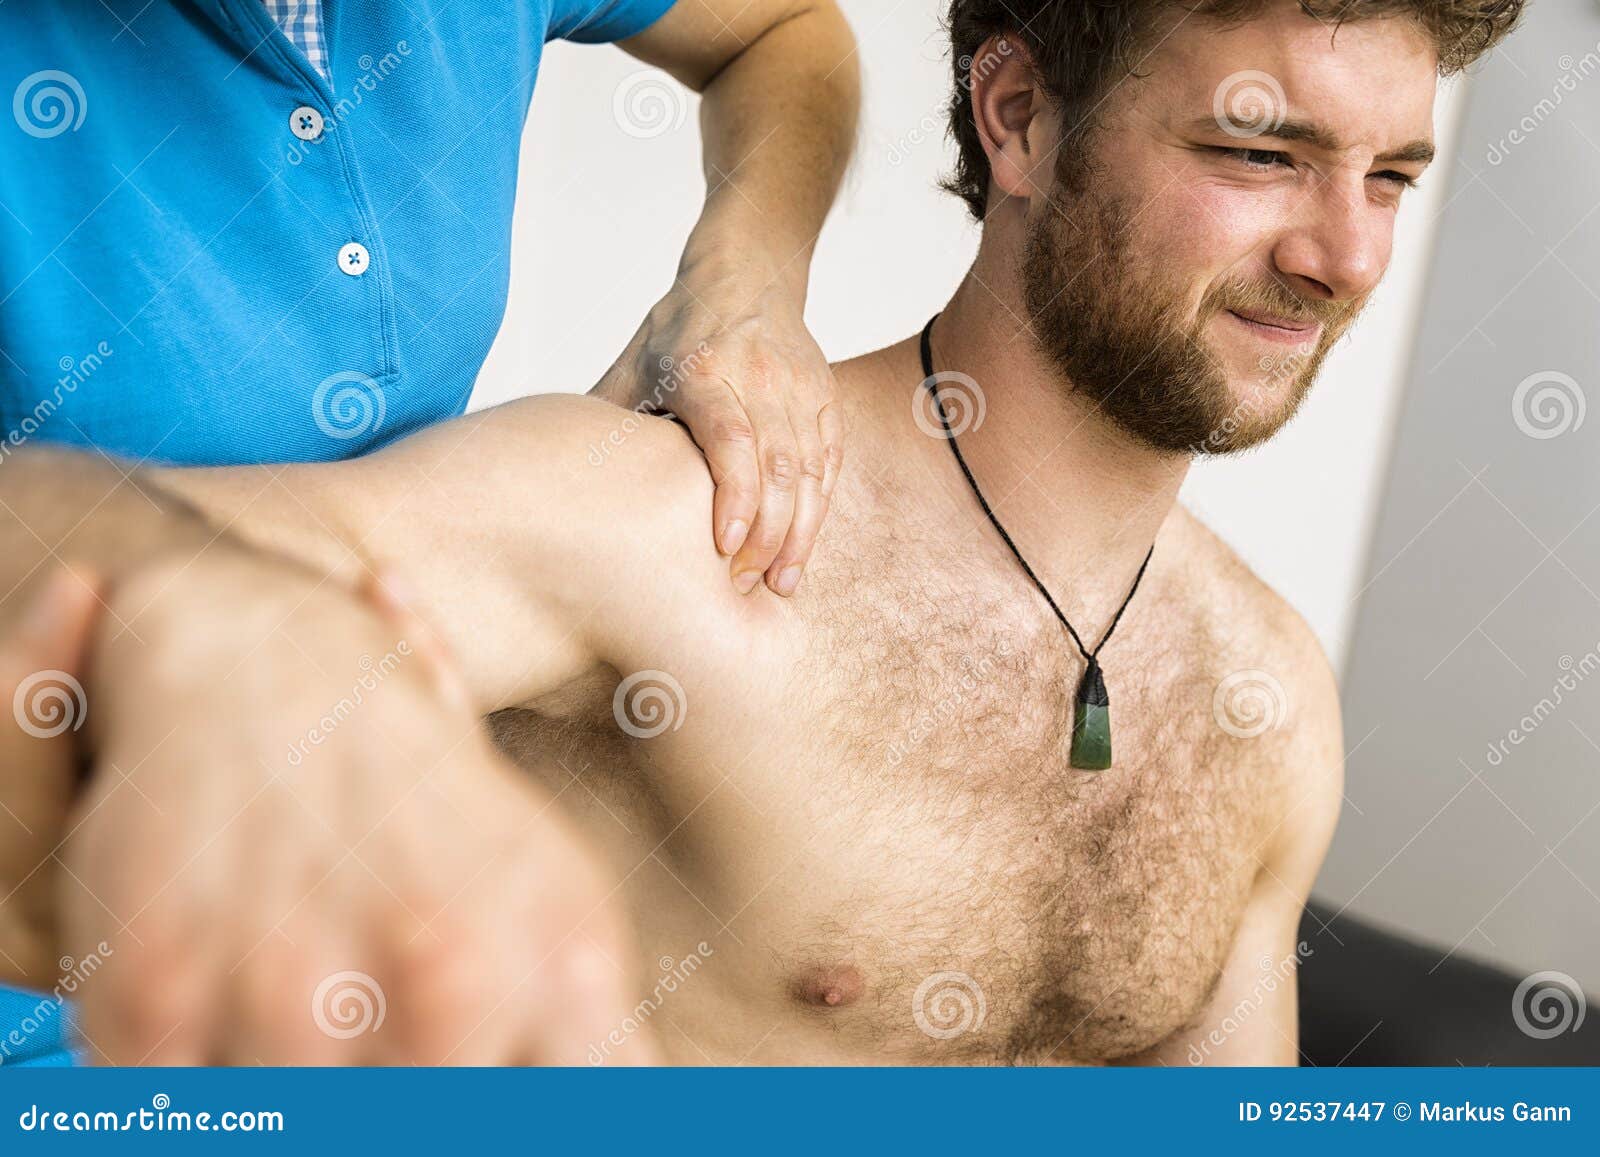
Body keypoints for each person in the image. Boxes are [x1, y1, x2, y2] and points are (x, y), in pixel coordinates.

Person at [0, 0, 1525, 1064]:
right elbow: (86, 594)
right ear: (1018, 118)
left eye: (1391, 176)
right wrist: (234, 635)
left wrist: (744, 261)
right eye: (1261, 154)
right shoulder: (663, 524)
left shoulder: (1270, 703)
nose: (1346, 252)